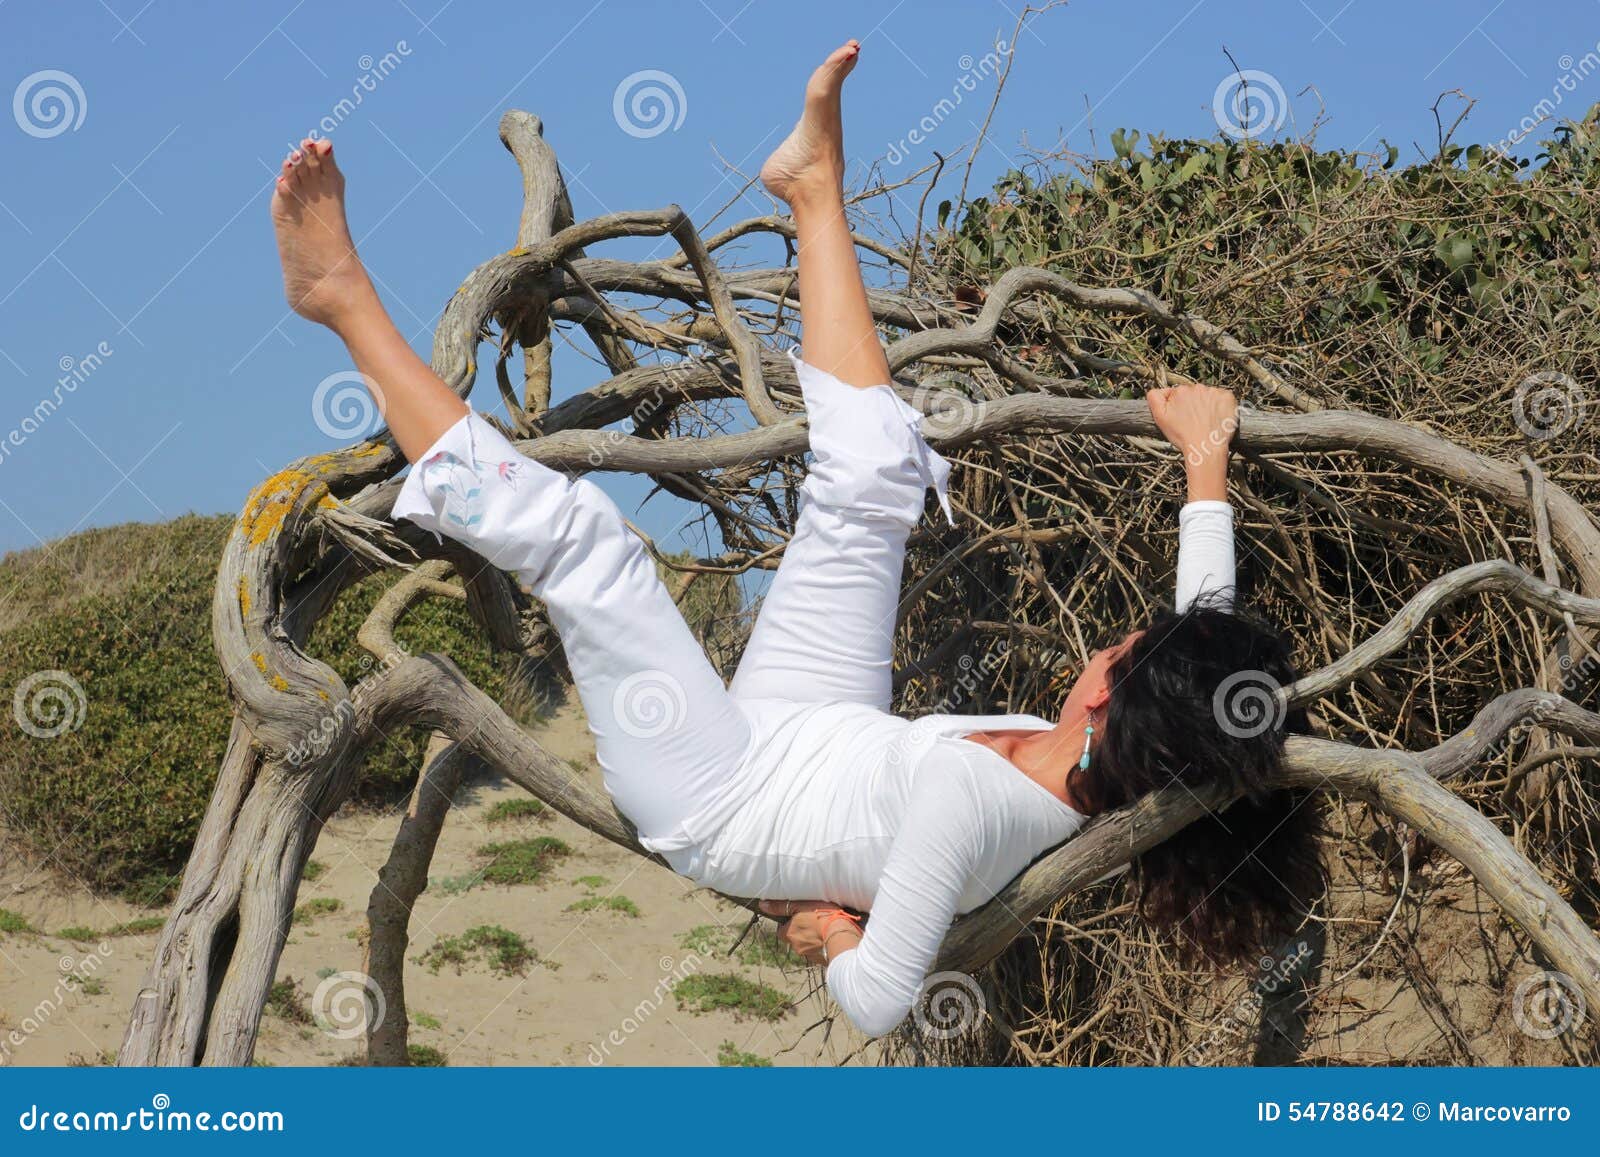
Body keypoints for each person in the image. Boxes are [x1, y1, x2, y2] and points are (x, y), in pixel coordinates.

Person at [269, 40, 1319, 1039]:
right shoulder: (1125, 760)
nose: (1112, 642)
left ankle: (339, 301)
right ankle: (814, 187)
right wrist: (1204, 463)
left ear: (1106, 689)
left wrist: (828, 933)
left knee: (591, 546)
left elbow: (877, 997)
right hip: (817, 731)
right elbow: (1202, 640)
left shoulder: (975, 802)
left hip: (721, 797)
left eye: (1123, 647)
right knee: (875, 476)